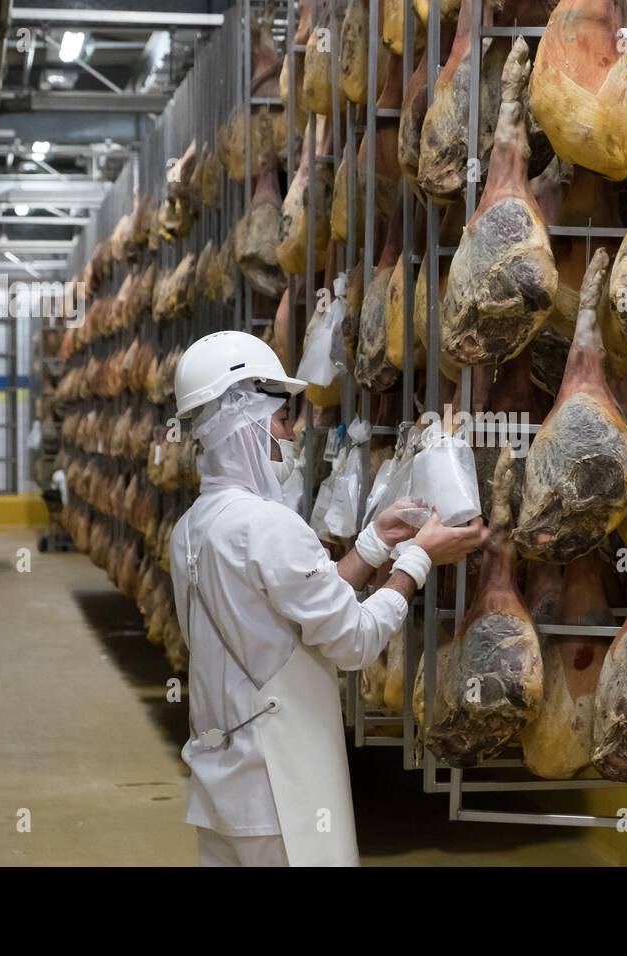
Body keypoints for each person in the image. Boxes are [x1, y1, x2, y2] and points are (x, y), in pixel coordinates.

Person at [168, 331, 485, 867]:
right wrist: (417, 561)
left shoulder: (191, 529)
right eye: (280, 418)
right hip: (280, 793)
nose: (287, 433)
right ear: (246, 420)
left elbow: (289, 611)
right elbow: (355, 642)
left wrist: (374, 543)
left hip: (222, 788)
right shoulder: (268, 526)